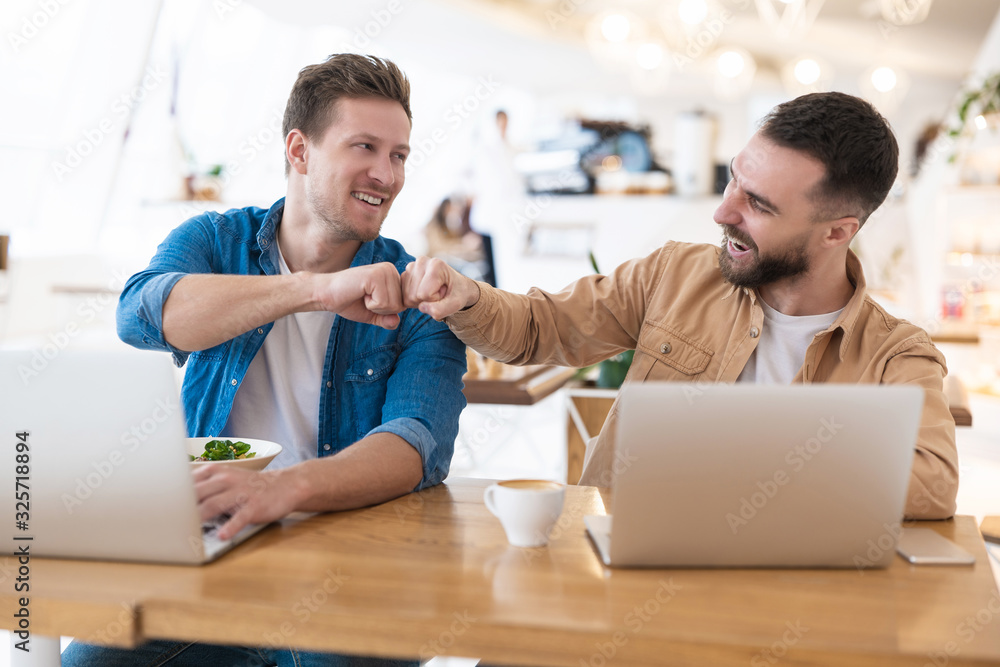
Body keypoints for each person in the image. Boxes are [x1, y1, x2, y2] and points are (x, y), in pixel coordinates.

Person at [62, 54, 466, 667]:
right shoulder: (216, 241)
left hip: (350, 566)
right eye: (365, 147)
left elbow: (416, 444)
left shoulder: (420, 295)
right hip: (214, 550)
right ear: (299, 151)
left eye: (400, 155)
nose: (386, 174)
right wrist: (313, 290)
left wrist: (282, 490)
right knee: (92, 659)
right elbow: (141, 316)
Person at [402, 91, 958, 521]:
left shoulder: (896, 354)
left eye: (757, 204)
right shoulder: (674, 274)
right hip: (626, 567)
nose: (723, 212)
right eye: (733, 180)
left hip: (783, 599)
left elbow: (932, 484)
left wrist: (754, 454)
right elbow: (537, 329)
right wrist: (468, 296)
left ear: (838, 232)